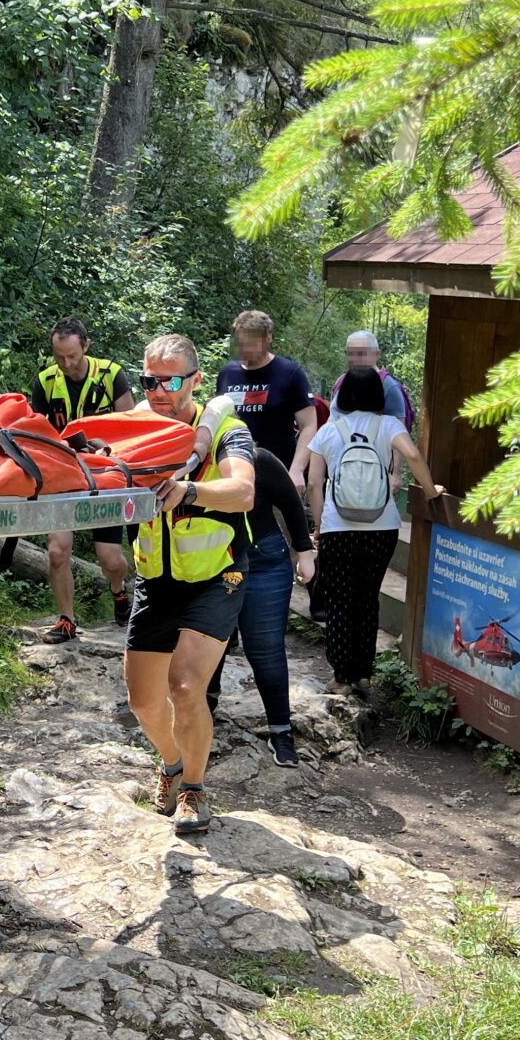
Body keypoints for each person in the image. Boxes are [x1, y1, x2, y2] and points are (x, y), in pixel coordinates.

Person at [123, 335, 256, 835]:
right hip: (156, 576)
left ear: (195, 380)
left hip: (217, 574)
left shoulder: (227, 429)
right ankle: (173, 765)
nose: (159, 389)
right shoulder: (138, 429)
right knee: (141, 699)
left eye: (171, 380)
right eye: (149, 379)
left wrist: (189, 491)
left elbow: (243, 492)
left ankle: (195, 791)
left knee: (184, 685)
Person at [306, 367, 444, 694]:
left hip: (338, 529)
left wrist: (320, 524)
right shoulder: (388, 425)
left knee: (339, 601)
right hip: (381, 528)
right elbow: (411, 455)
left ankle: (341, 677)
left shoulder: (330, 429)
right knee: (367, 599)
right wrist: (430, 492)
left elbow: (314, 483)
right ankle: (363, 674)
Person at [205, 442, 316, 768]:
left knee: (265, 647)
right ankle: (202, 715)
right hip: (210, 561)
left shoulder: (258, 458)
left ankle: (281, 730)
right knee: (209, 640)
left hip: (264, 560)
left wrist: (305, 553)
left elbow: (292, 504)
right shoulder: (189, 461)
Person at [28, 316, 137, 643]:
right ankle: (67, 620)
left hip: (105, 477)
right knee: (58, 551)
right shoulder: (46, 381)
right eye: (59, 356)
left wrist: (106, 447)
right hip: (63, 476)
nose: (66, 363)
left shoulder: (112, 376)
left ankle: (118, 592)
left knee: (111, 559)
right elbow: (35, 433)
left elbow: (132, 430)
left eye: (72, 356)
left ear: (86, 346)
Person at [215, 309, 317, 485]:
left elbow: (309, 425)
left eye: (252, 344)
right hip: (233, 474)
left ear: (268, 338)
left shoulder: (290, 373)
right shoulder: (227, 374)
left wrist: (297, 470)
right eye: (241, 343)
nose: (245, 350)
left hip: (277, 474)